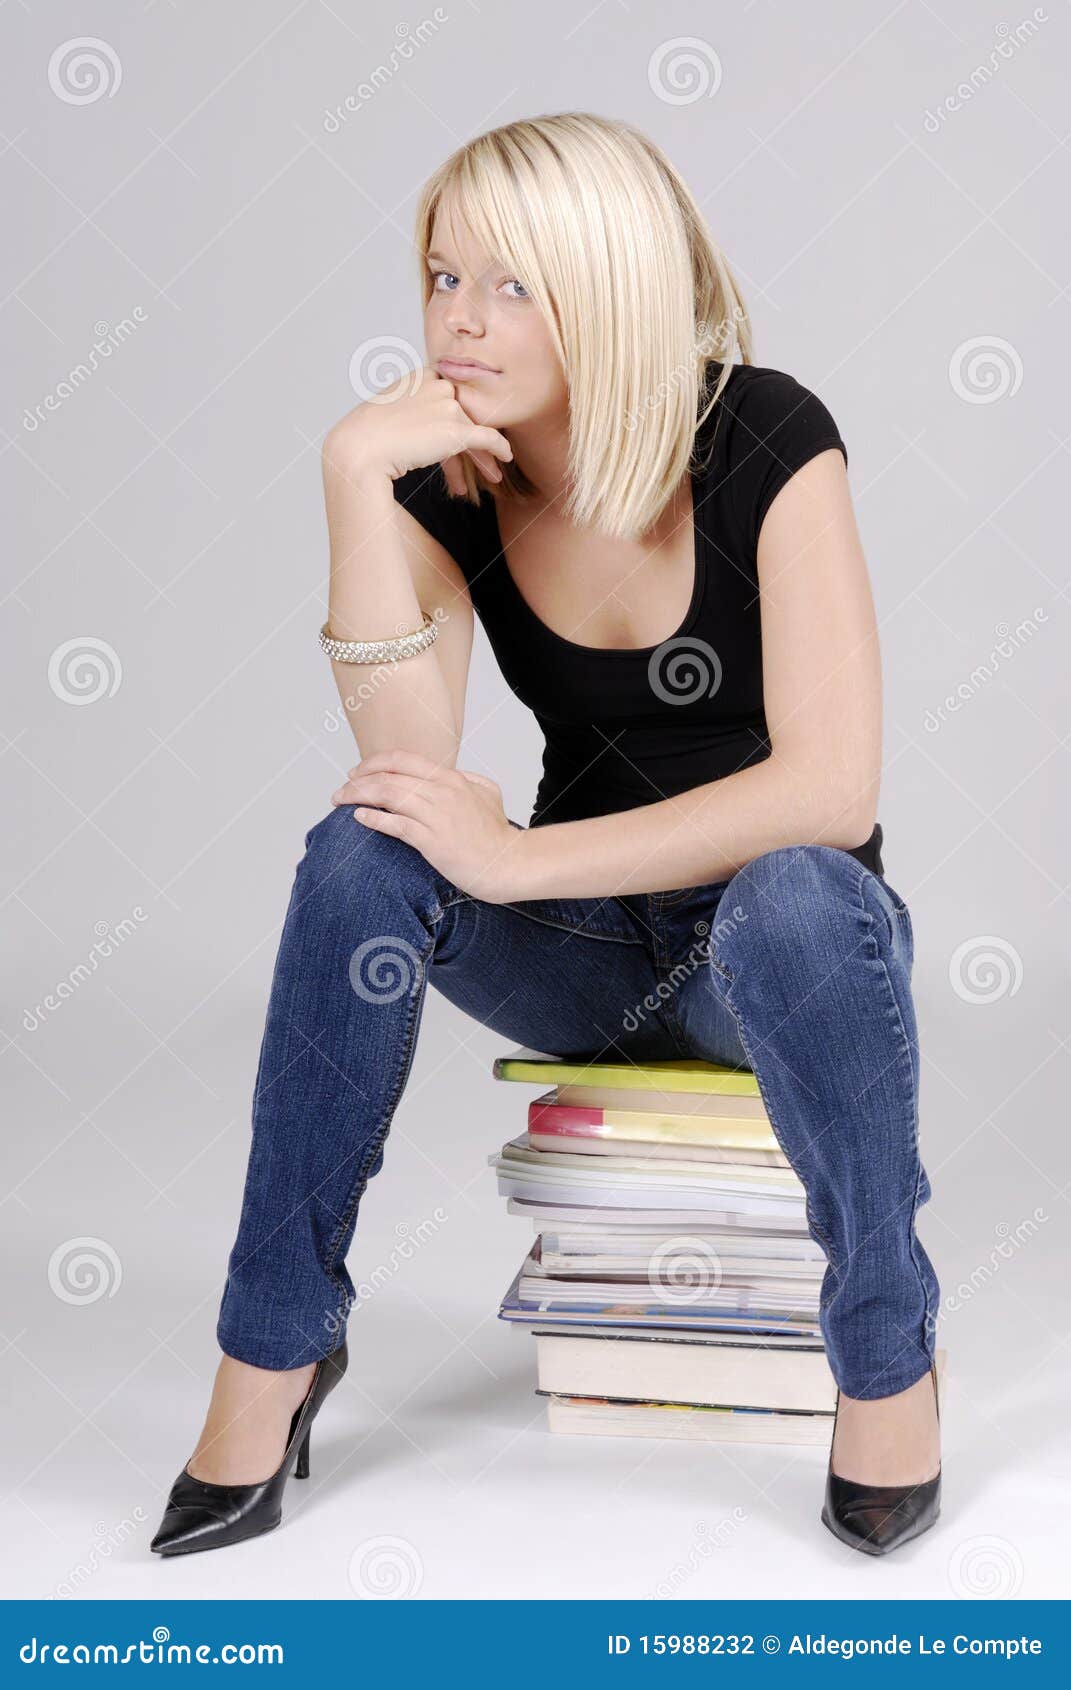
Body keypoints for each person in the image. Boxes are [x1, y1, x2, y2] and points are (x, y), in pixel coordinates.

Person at [151, 112, 941, 1561]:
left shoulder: (765, 432)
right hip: (587, 957)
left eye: (513, 284)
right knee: (360, 851)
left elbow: (834, 791)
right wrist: (351, 475)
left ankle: (887, 1352)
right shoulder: (445, 476)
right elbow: (405, 771)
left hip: (773, 954)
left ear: (612, 286)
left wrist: (516, 858)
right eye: (445, 278)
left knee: (794, 894)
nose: (460, 319)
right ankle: (275, 1347)